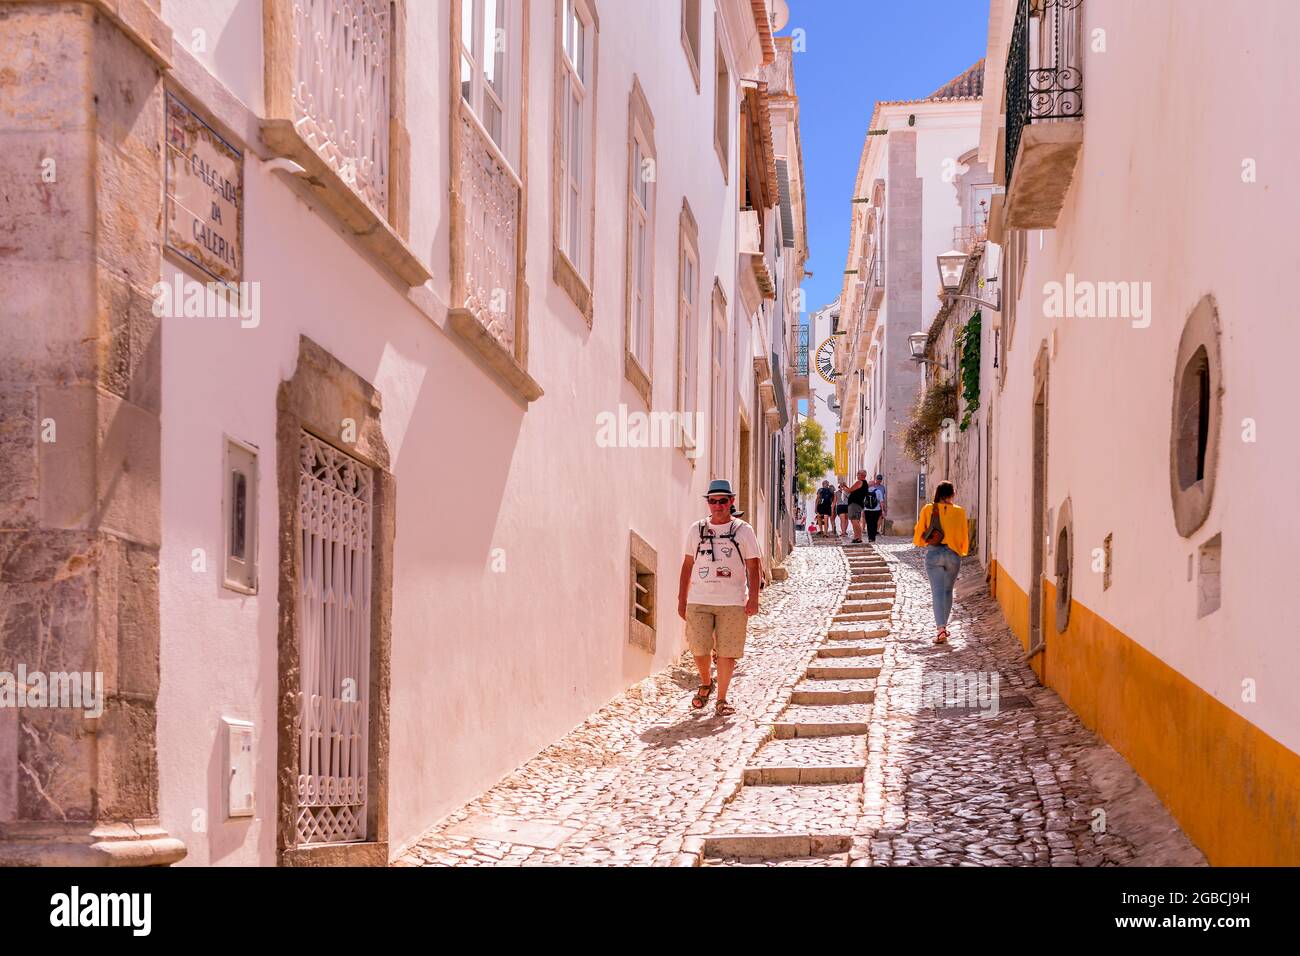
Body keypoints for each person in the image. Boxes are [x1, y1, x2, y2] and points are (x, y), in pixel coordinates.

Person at [678, 479, 762, 716]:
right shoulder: (697, 529)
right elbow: (687, 565)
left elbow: (753, 566)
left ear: (731, 502)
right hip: (699, 599)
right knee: (698, 647)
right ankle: (706, 683)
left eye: (722, 501)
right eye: (713, 501)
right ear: (708, 503)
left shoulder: (744, 530)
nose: (718, 505)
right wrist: (681, 599)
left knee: (727, 651)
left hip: (733, 601)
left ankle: (722, 699)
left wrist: (753, 598)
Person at [913, 480, 970, 645]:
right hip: (953, 555)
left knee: (937, 592)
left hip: (934, 554)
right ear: (953, 494)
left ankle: (941, 629)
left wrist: (923, 542)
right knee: (947, 591)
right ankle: (944, 628)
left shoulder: (928, 509)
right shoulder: (960, 512)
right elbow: (963, 535)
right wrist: (960, 550)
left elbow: (919, 531)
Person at [845, 469, 871, 544]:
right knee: (854, 520)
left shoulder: (860, 482)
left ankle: (858, 538)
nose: (857, 475)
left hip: (855, 504)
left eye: (858, 473)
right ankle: (856, 537)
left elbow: (849, 490)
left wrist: (843, 486)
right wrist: (846, 487)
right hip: (858, 504)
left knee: (855, 520)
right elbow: (851, 490)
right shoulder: (865, 483)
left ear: (862, 475)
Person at [863, 475, 883, 542]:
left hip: (867, 510)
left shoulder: (864, 491)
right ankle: (873, 537)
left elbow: (863, 501)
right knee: (874, 523)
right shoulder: (878, 491)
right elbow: (881, 502)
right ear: (874, 484)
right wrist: (882, 510)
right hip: (876, 510)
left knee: (869, 523)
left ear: (868, 485)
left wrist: (863, 509)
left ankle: (870, 538)